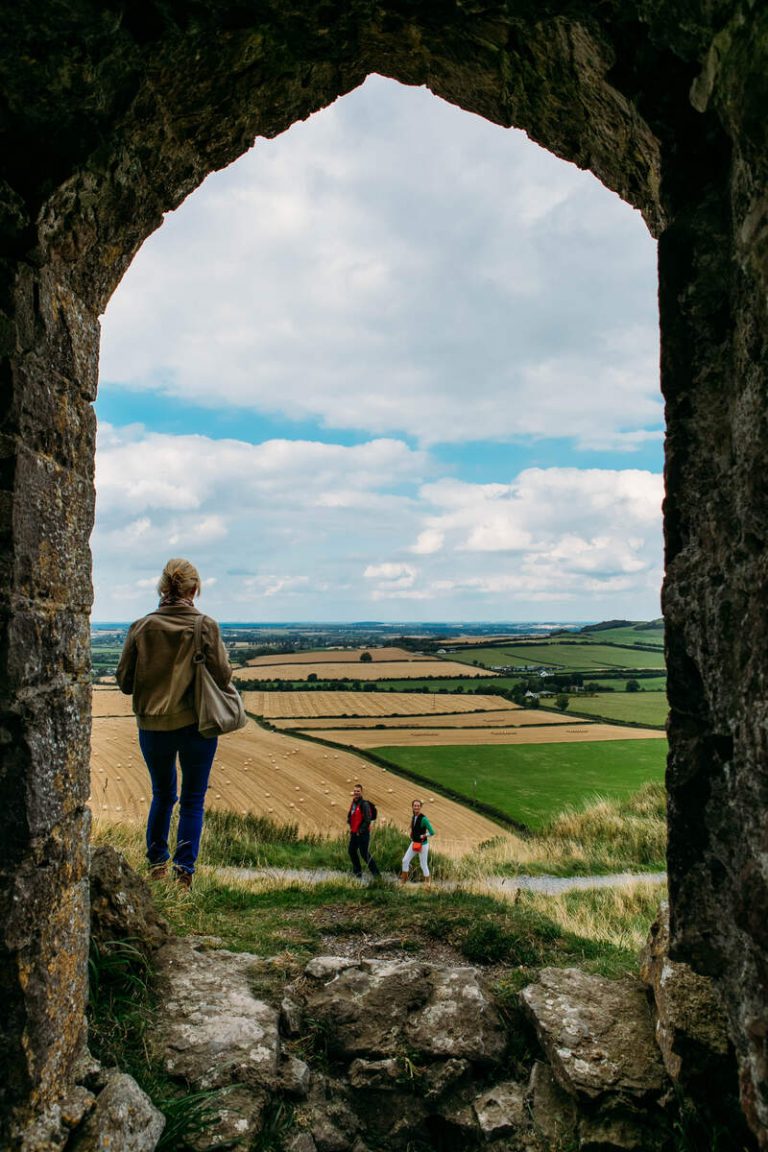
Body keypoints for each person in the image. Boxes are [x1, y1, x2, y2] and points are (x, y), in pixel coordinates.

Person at [116, 557, 232, 888]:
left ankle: (156, 867)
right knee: (193, 799)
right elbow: (223, 679)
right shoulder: (205, 626)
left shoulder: (140, 627)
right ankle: (184, 876)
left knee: (162, 794)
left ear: (162, 588)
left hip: (152, 726)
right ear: (195, 590)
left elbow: (125, 682)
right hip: (197, 724)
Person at [346, 783, 380, 880]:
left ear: (361, 792)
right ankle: (358, 873)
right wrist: (349, 822)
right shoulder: (354, 803)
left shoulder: (364, 804)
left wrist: (360, 831)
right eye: (355, 791)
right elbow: (350, 815)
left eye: (358, 791)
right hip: (354, 833)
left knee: (364, 854)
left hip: (362, 834)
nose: (356, 793)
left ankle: (377, 876)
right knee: (351, 851)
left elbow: (368, 819)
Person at [400, 799, 435, 884]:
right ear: (412, 807)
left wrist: (424, 835)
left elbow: (432, 832)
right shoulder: (413, 817)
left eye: (418, 806)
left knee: (423, 865)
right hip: (414, 843)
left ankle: (428, 884)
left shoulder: (424, 819)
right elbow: (414, 827)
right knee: (405, 860)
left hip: (423, 845)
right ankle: (403, 882)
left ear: (420, 807)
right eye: (415, 806)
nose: (416, 807)